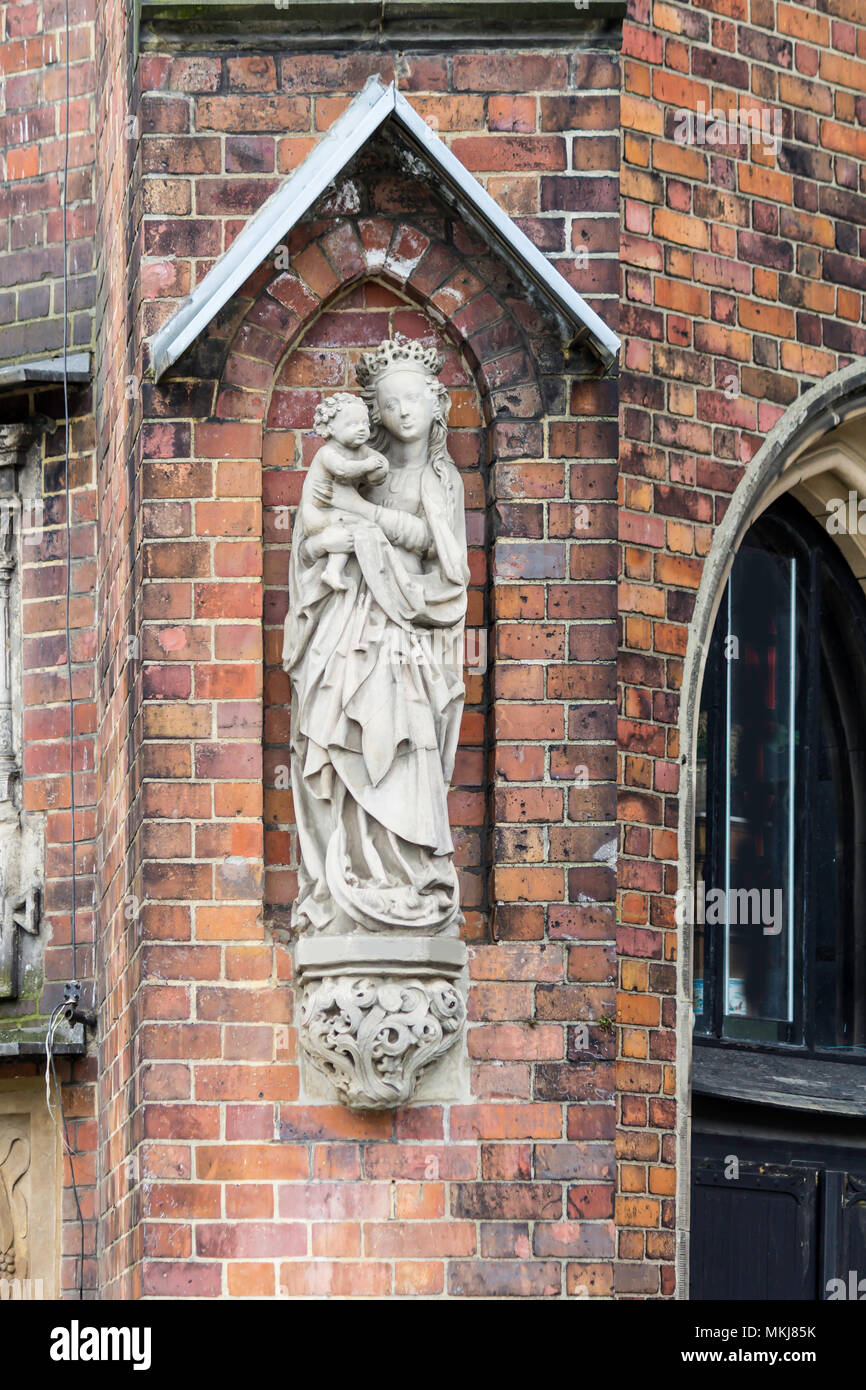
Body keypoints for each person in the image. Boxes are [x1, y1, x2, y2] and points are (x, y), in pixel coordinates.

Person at [283, 335, 470, 940]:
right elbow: (312, 539)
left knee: (404, 732)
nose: (403, 413)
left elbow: (448, 566)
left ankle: (409, 876)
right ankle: (349, 876)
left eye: (414, 400)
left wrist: (368, 523)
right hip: (348, 624)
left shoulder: (442, 482)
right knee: (341, 726)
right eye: (390, 405)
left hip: (407, 630)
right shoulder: (355, 467)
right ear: (374, 414)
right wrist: (347, 537)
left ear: (435, 404)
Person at [299, 393, 389, 593]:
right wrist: (367, 465)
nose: (361, 429)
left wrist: (380, 466)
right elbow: (342, 469)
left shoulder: (360, 449)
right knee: (358, 525)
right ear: (330, 429)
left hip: (333, 511)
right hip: (317, 513)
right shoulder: (327, 453)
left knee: (350, 532)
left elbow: (379, 462)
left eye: (365, 424)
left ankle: (332, 571)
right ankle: (332, 571)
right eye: (352, 424)